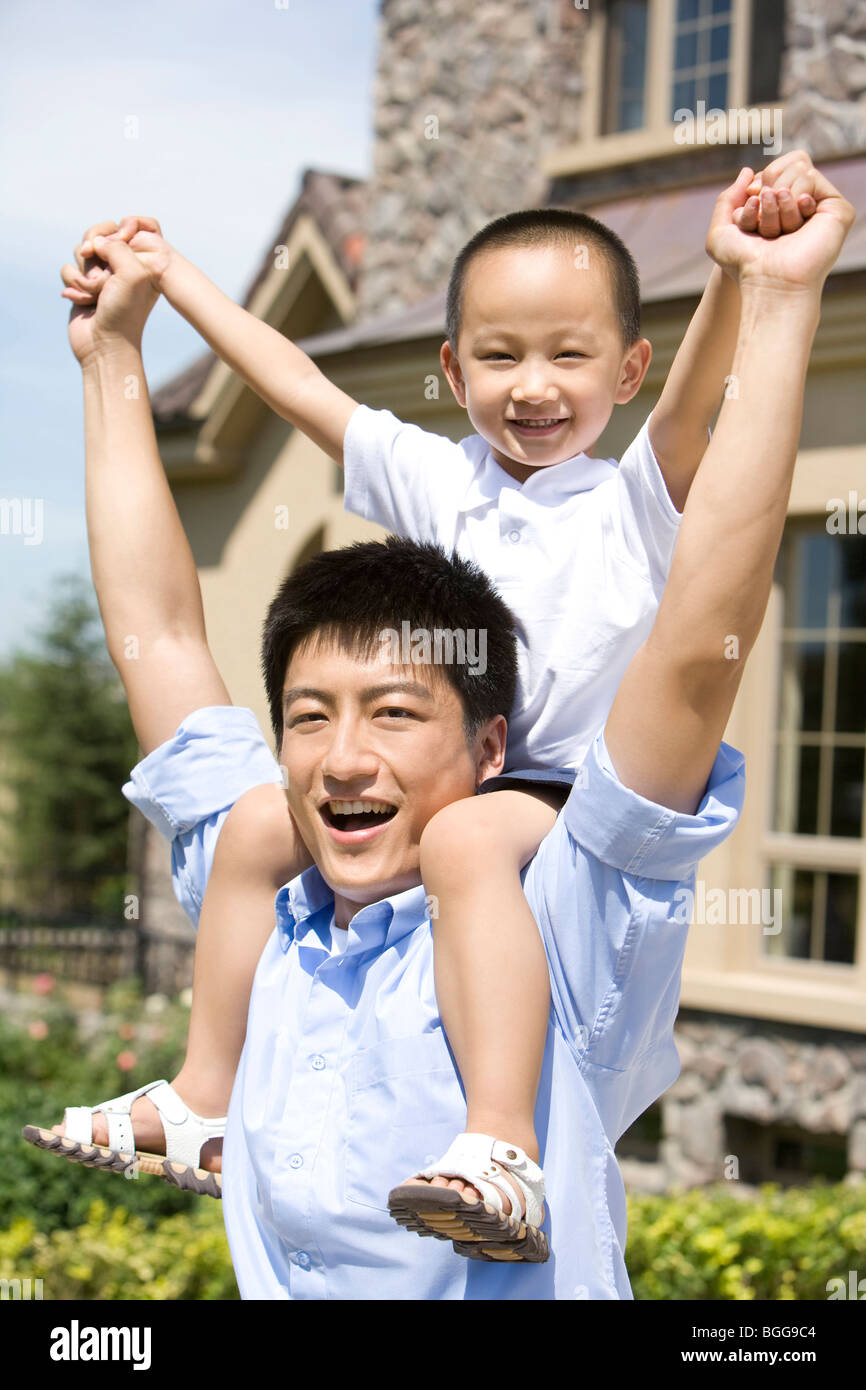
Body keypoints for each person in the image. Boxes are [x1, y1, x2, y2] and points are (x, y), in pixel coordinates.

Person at [26, 158, 853, 1295]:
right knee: (270, 819)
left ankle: (498, 1141)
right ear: (451, 368)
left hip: (558, 806)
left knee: (468, 843)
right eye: (310, 715)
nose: (344, 752)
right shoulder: (289, 875)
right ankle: (199, 1095)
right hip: (481, 805)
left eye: (393, 710)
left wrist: (761, 288)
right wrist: (138, 320)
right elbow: (177, 606)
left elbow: (704, 519)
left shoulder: (564, 901)